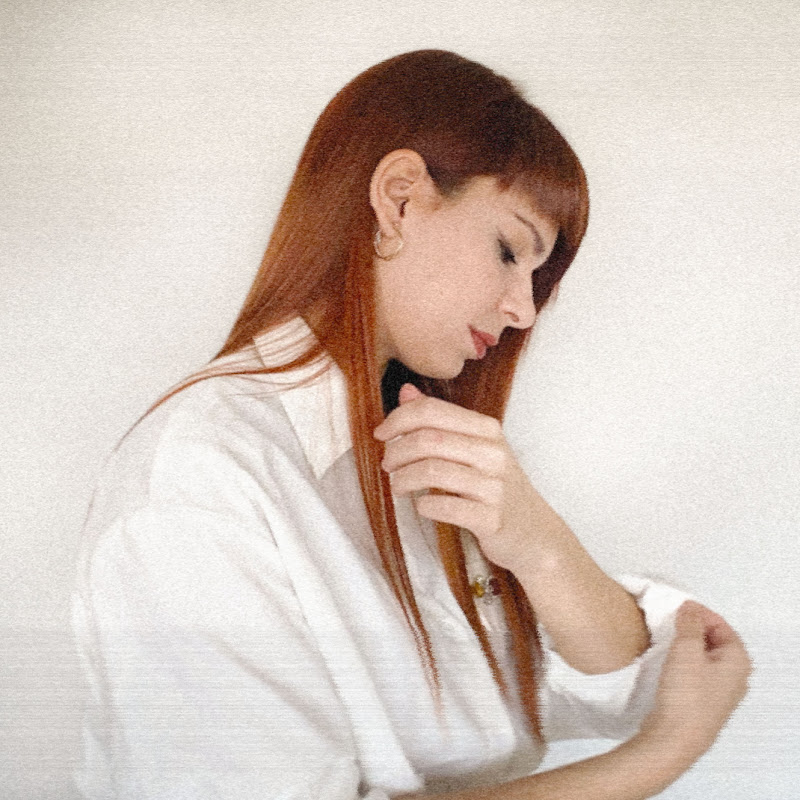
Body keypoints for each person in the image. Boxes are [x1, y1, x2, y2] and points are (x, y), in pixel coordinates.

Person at [72, 50, 750, 799]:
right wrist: (662, 754)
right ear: (398, 200)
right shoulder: (201, 477)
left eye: (536, 277)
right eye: (509, 251)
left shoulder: (421, 444)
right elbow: (656, 710)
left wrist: (540, 542)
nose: (523, 309)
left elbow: (624, 674)